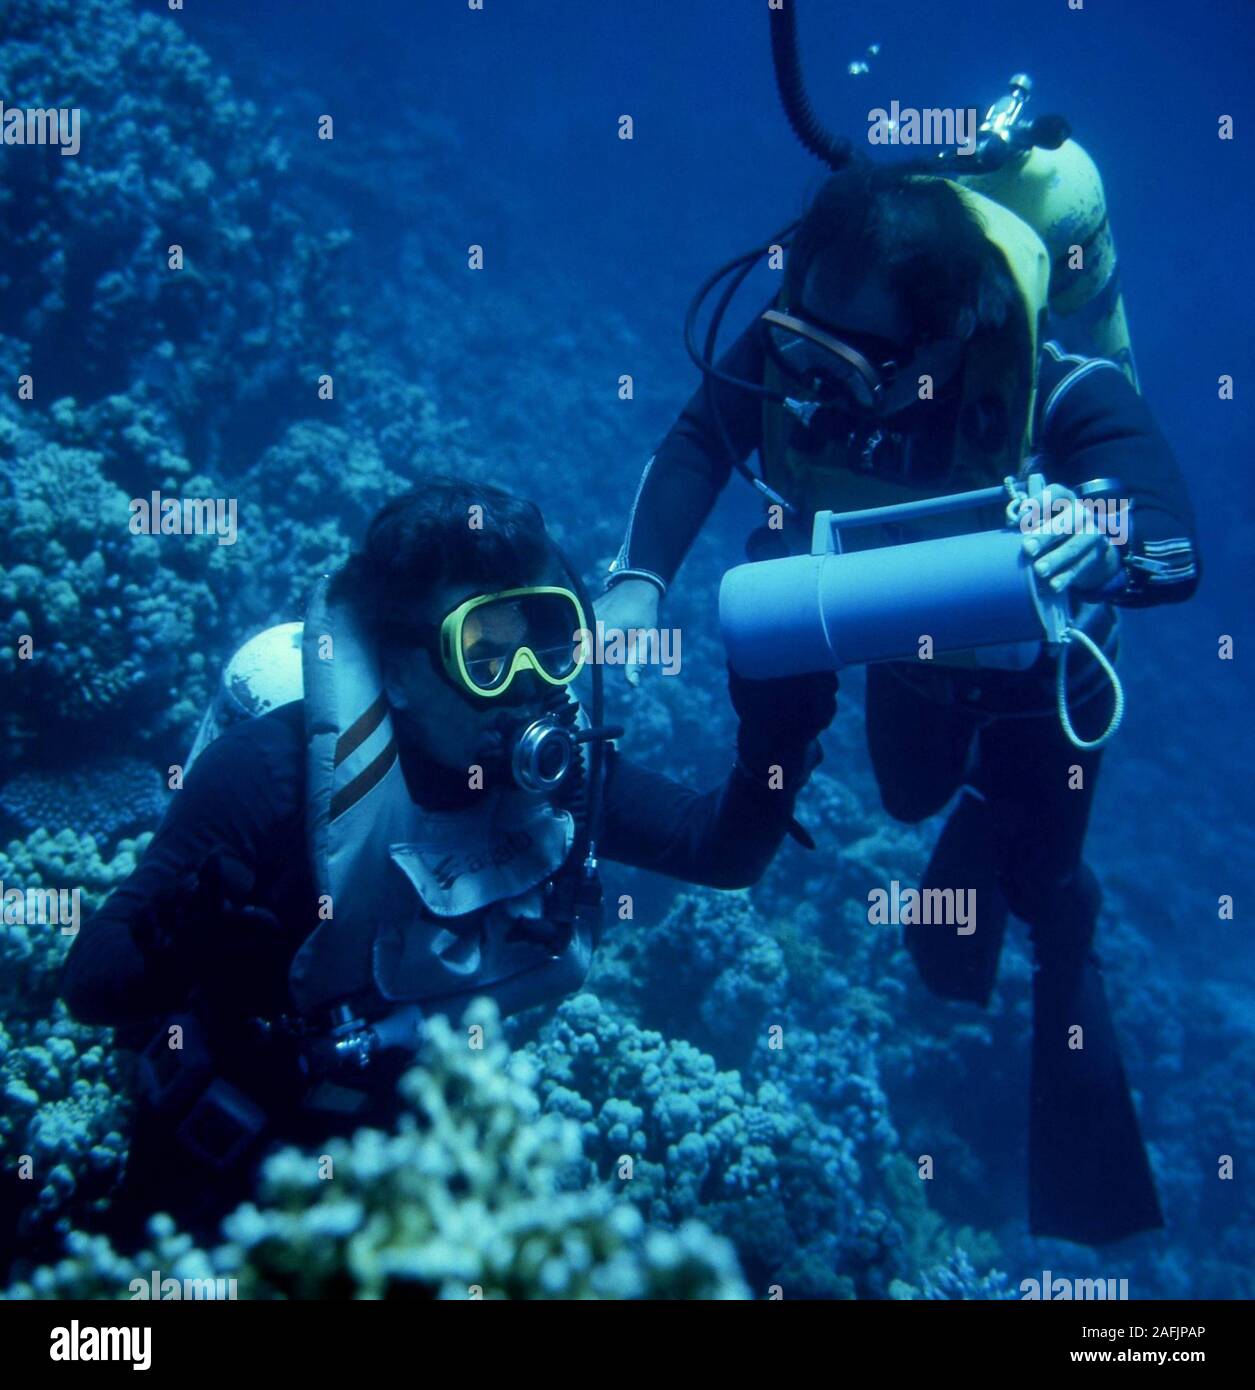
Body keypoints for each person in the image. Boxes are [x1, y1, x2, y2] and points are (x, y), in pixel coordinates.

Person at [600, 164, 1200, 1246]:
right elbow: (699, 439)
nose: (810, 378)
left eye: (852, 360)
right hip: (909, 663)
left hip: (1037, 692)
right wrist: (638, 576)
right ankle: (979, 825)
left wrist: (1099, 531)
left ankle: (1063, 914)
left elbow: (1168, 537)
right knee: (913, 798)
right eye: (799, 338)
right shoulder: (800, 339)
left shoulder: (1051, 388)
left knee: (1035, 878)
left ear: (951, 328)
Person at [61, 477, 837, 1245]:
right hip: (217, 1162)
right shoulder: (268, 777)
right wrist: (185, 943)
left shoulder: (556, 777)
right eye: (485, 658)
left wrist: (775, 743)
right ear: (394, 670)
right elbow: (89, 980)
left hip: (407, 1169)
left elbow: (717, 850)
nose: (527, 689)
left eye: (547, 645)